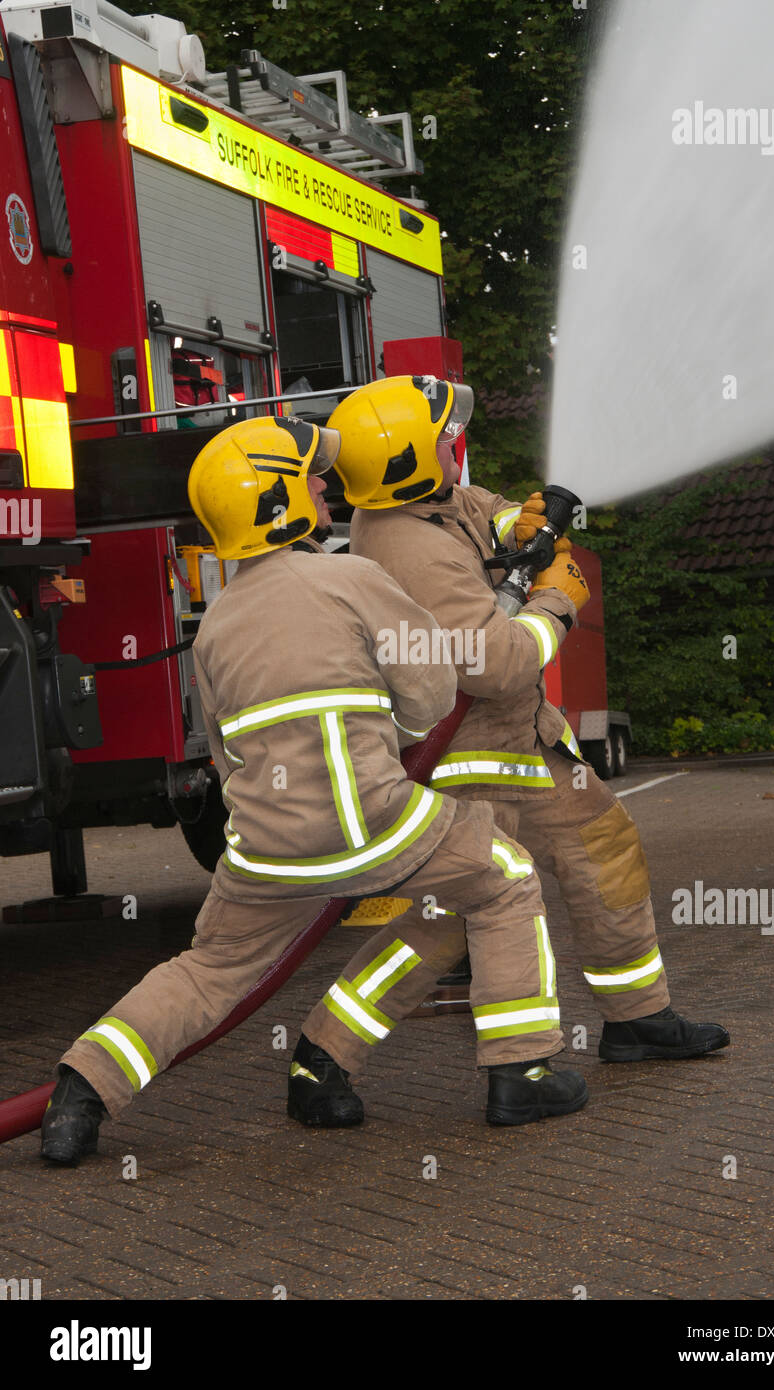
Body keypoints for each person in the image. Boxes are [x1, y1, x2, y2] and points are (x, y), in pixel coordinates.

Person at [40, 412, 587, 1166]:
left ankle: (79, 1095)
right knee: (504, 877)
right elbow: (429, 698)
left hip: (266, 851)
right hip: (376, 822)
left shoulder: (217, 623)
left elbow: (228, 753)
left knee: (207, 970)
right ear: (279, 502)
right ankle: (519, 1070)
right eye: (310, 481)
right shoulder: (353, 578)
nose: (326, 490)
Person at [288, 375, 730, 1127]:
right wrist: (556, 600)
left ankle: (637, 1019)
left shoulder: (433, 503)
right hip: (467, 756)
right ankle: (325, 1057)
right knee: (450, 916)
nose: (449, 442)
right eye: (436, 435)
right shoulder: (403, 546)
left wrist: (518, 527)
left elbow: (485, 516)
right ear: (404, 459)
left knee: (605, 852)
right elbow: (492, 665)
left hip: (528, 745)